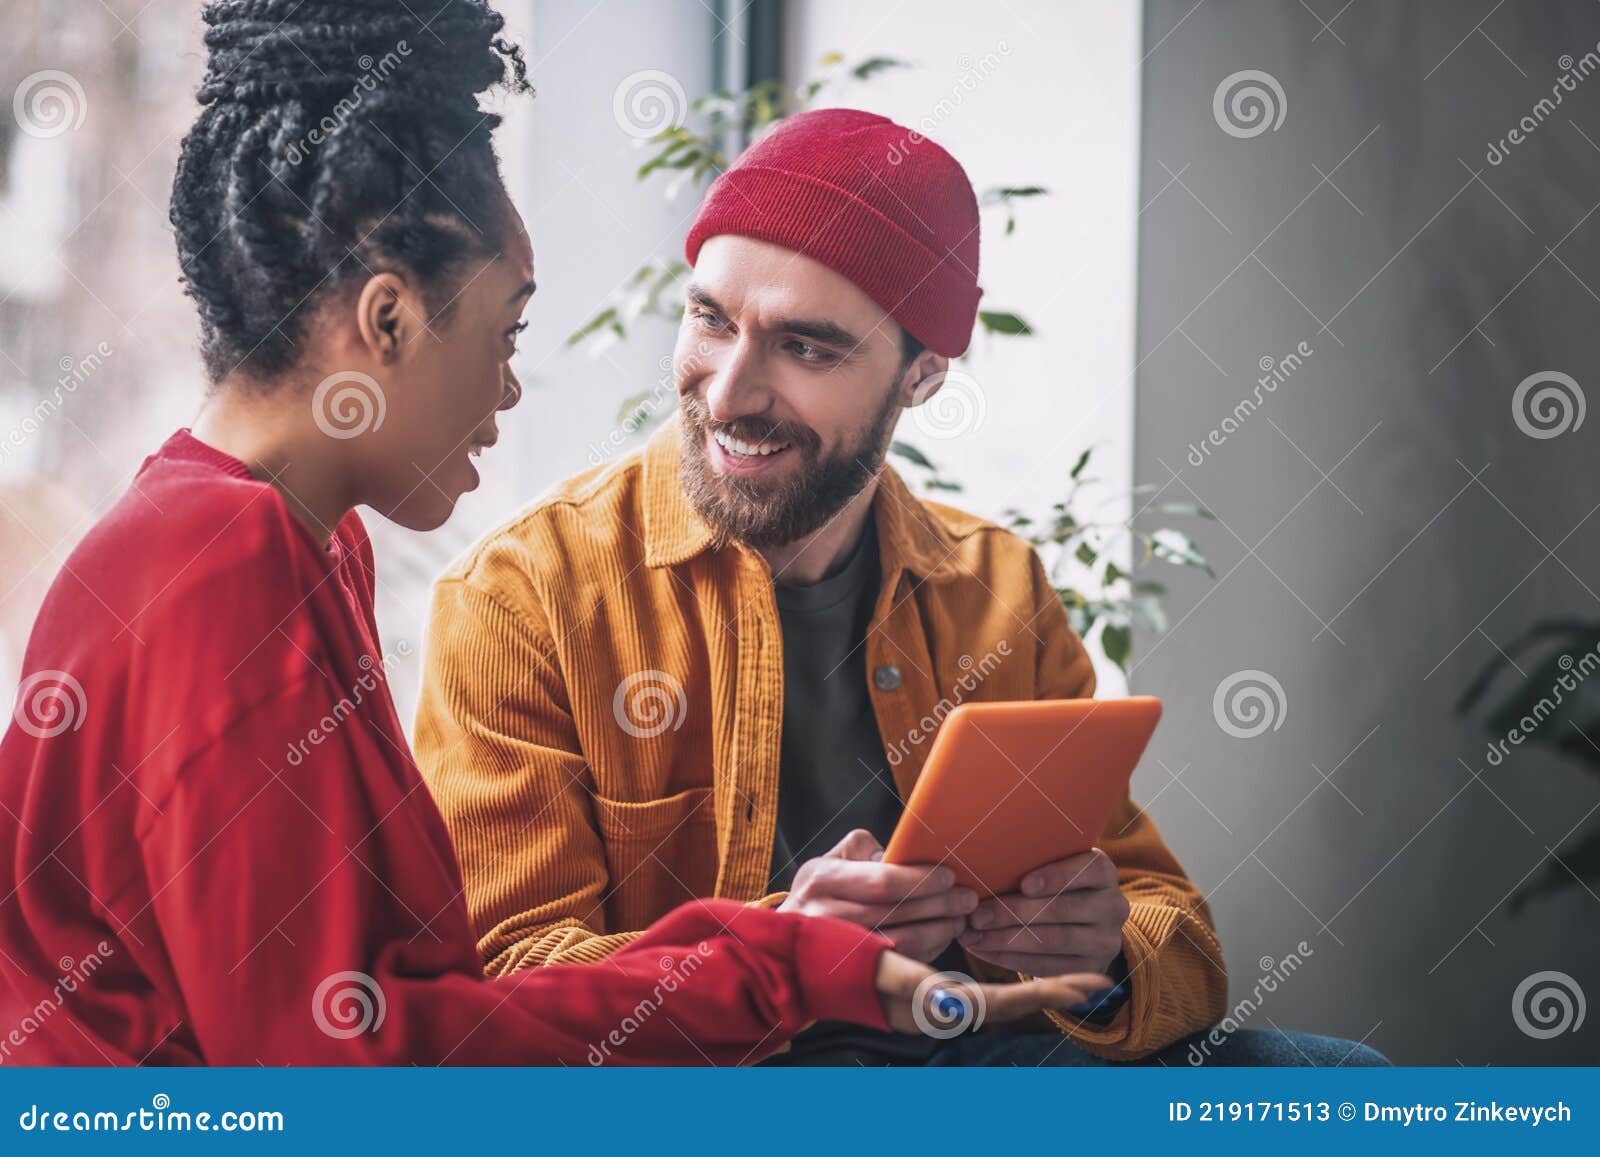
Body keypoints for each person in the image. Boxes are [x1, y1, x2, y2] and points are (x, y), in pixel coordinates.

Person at [0, 6, 1108, 1067]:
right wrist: (781, 968)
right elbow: (345, 1073)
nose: (513, 388)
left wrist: (789, 957)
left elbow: (397, 1022)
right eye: (506, 329)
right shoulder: (216, 569)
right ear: (388, 319)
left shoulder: (298, 543)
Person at [414, 108, 1387, 1066]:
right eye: (710, 318)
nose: (727, 393)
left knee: (1344, 1088)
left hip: (975, 1060)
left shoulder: (998, 586)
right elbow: (507, 992)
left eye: (804, 347)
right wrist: (777, 958)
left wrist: (1105, 953)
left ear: (920, 377)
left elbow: (1177, 938)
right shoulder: (521, 597)